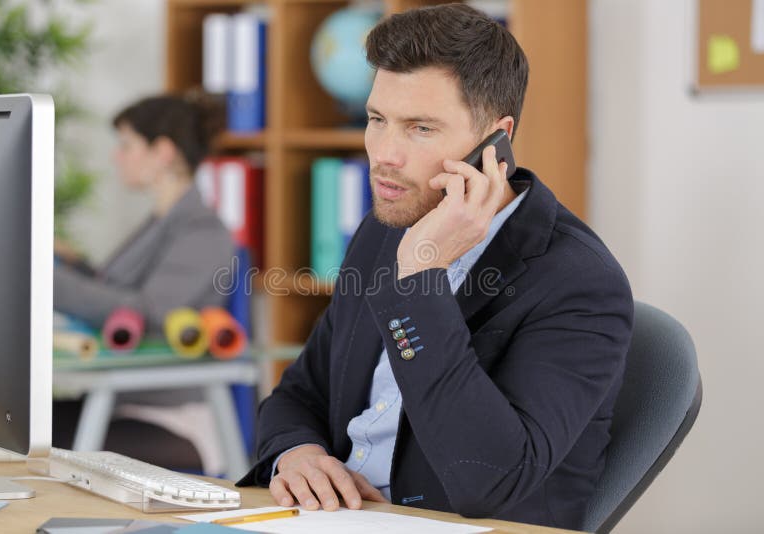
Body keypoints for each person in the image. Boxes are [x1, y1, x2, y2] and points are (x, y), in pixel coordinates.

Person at [237, 4, 633, 530]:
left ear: (497, 141)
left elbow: (488, 480)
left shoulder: (579, 284)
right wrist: (298, 453)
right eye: (377, 120)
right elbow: (300, 392)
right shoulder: (384, 228)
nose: (384, 155)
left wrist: (419, 279)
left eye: (420, 128)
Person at [54, 93, 232, 332]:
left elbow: (151, 311)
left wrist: (46, 283)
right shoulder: (163, 220)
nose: (116, 157)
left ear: (162, 152)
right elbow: (115, 286)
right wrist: (73, 262)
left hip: (162, 366)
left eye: (126, 146)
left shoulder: (204, 230)